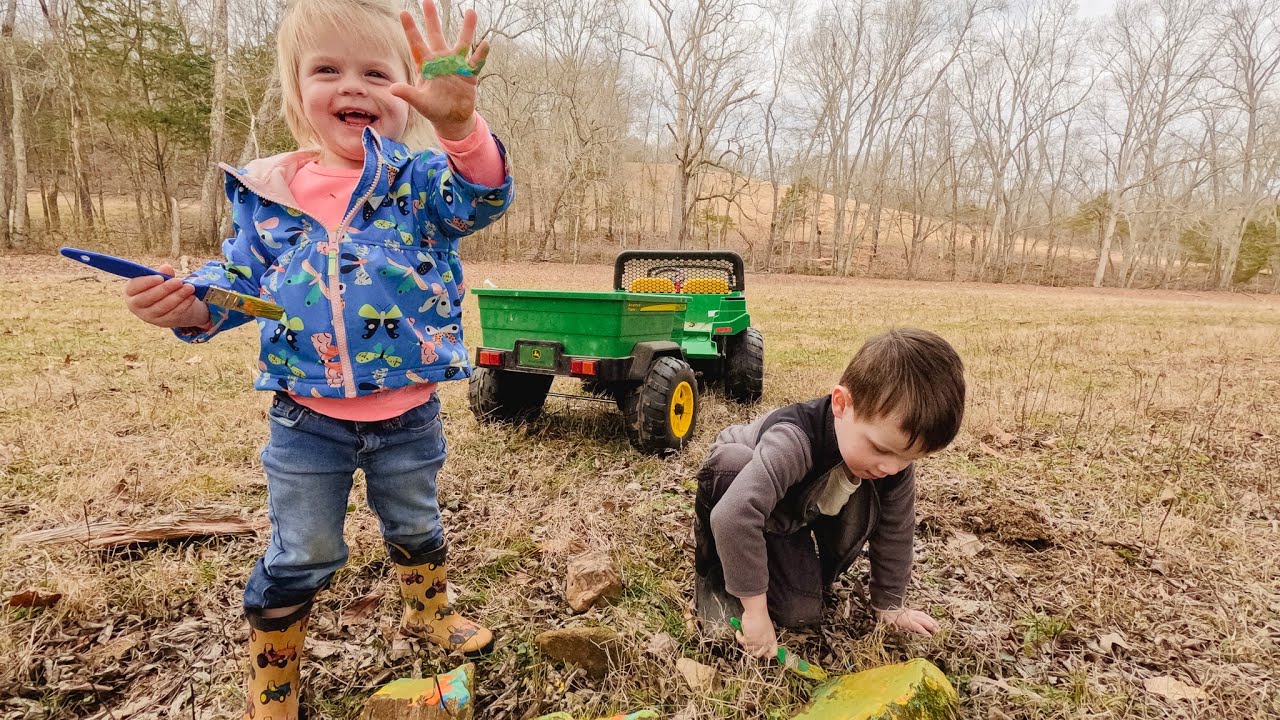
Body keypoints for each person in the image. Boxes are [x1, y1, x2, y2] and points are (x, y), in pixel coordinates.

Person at [119, 1, 512, 716]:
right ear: (298, 89)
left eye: (376, 72)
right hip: (306, 422)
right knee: (303, 551)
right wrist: (191, 304)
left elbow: (482, 198)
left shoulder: (420, 184)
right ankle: (274, 678)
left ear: (409, 91)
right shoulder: (267, 194)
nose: (352, 86)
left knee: (417, 523)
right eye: (327, 70)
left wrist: (459, 128)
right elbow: (239, 282)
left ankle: (427, 611)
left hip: (409, 415)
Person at [693, 328, 966, 657]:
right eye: (881, 450)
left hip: (788, 513)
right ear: (841, 403)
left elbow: (896, 529)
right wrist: (755, 612)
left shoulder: (890, 465)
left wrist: (890, 605)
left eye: (908, 457)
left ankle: (762, 552)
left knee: (799, 610)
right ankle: (715, 571)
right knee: (733, 471)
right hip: (734, 491)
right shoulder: (793, 440)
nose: (891, 467)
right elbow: (733, 515)